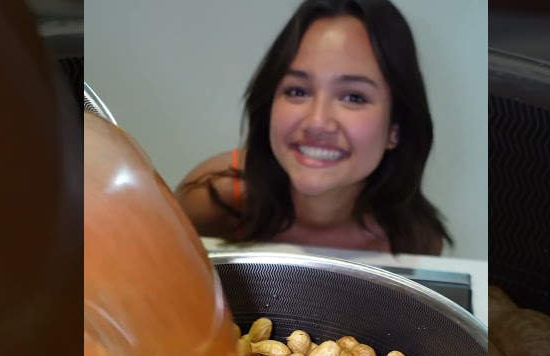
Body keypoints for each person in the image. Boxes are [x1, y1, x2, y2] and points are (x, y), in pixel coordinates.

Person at [176, 0, 452, 256]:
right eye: (297, 91)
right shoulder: (212, 197)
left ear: (395, 129)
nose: (317, 122)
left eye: (354, 97)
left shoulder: (414, 239)